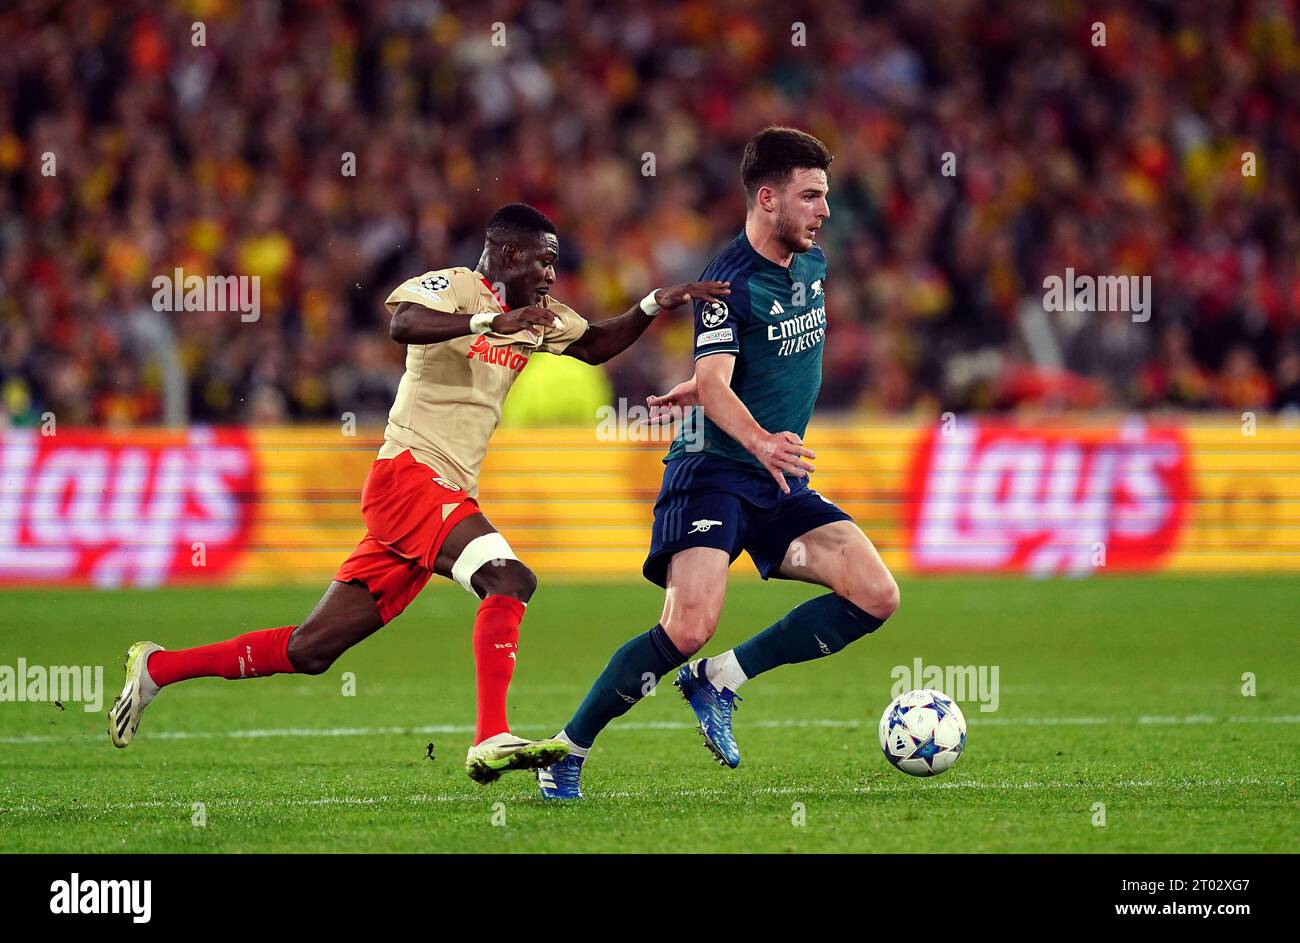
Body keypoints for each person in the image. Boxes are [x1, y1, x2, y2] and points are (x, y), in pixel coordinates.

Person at [107, 203, 729, 785]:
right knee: (509, 579)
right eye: (542, 260)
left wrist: (652, 303)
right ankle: (491, 736)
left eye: (554, 262)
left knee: (311, 649)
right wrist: (490, 320)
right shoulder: (455, 286)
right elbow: (402, 323)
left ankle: (160, 668)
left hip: (442, 490)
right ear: (505, 254)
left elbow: (594, 344)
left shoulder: (538, 316)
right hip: (408, 474)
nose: (550, 274)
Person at [537, 128, 900, 799]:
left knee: (876, 594)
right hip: (715, 472)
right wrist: (737, 416)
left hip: (775, 478)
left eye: (826, 195)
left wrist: (722, 393)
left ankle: (720, 679)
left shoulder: (811, 264)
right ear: (767, 198)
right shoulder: (724, 283)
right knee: (687, 625)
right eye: (811, 195)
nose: (825, 210)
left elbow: (735, 371)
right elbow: (715, 377)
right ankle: (566, 750)